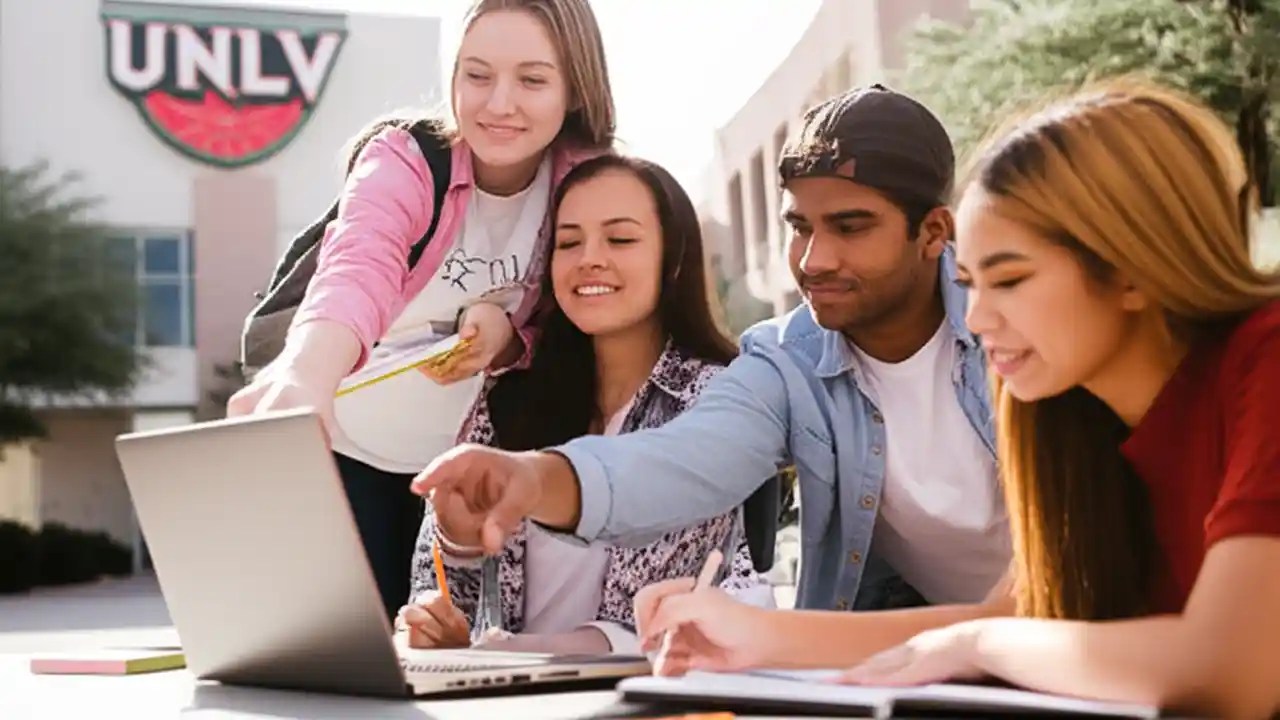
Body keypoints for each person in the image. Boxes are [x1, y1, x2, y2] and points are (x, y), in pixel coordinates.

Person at [411, 84, 1015, 668]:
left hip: (1067, 632)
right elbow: (679, 462)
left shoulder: (1009, 330)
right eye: (800, 226)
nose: (813, 259)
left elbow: (1065, 578)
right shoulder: (787, 361)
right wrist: (529, 477)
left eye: (850, 227)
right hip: (940, 664)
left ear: (934, 233)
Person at [826, 82, 1280, 719]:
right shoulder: (1074, 420)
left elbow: (1229, 675)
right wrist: (743, 636)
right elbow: (1004, 621)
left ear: (1129, 267)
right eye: (968, 284)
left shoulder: (1268, 358)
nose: (977, 318)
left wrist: (980, 644)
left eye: (1009, 279)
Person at [226, 0, 617, 622]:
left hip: (476, 474)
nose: (499, 104)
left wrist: (510, 339)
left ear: (575, 88)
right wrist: (304, 374)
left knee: (458, 656)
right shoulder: (406, 159)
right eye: (477, 74)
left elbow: (591, 317)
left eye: (533, 79)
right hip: (348, 453)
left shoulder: (591, 180)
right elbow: (358, 265)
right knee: (346, 654)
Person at [397, 155, 773, 655]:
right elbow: (445, 602)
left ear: (674, 258)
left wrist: (504, 653)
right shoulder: (507, 396)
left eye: (620, 239)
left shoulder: (715, 401)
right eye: (569, 242)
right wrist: (452, 577)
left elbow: (657, 624)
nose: (589, 258)